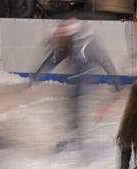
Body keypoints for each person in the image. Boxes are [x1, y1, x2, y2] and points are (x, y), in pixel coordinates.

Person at [31, 19, 121, 151]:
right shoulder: (66, 44)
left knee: (76, 107)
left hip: (87, 77)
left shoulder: (88, 44)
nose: (58, 42)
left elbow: (106, 62)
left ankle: (78, 141)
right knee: (70, 107)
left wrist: (117, 84)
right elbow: (51, 61)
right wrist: (35, 79)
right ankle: (74, 137)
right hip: (75, 77)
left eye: (60, 37)